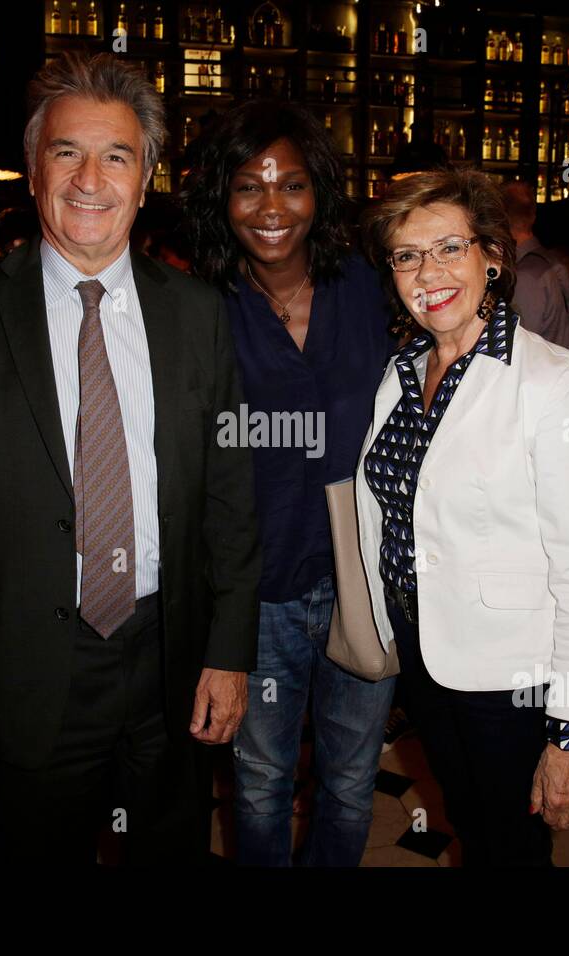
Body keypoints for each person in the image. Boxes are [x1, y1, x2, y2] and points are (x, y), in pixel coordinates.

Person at [0, 51, 261, 865]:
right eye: (67, 152)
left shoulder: (199, 316)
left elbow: (231, 502)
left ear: (145, 180)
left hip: (170, 658)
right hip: (28, 665)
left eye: (117, 156)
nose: (90, 178)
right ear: (34, 172)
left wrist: (229, 652)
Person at [357, 168, 569, 865]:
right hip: (421, 649)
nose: (427, 271)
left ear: (491, 257)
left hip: (510, 675)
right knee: (471, 820)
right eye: (406, 255)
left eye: (448, 248)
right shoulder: (402, 369)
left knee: (513, 845)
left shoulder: (553, 382)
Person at [180, 100, 397, 866]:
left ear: (321, 195)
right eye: (248, 186)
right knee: (262, 780)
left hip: (361, 578)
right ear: (221, 199)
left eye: (293, 184)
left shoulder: (372, 292)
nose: (272, 207)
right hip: (254, 594)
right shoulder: (197, 310)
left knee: (348, 780)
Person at [500, 179, 569, 348]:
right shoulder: (553, 263)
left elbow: (518, 345)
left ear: (500, 218)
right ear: (533, 215)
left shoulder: (524, 277)